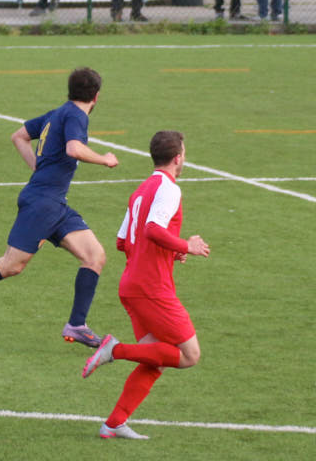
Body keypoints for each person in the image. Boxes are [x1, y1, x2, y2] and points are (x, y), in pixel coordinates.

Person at [0, 68, 119, 347]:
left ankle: (77, 324)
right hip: (43, 203)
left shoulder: (58, 113)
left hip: (54, 203)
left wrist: (38, 169)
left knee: (95, 256)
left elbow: (18, 136)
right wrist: (105, 159)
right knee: (11, 265)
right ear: (96, 96)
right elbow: (74, 149)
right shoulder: (77, 115)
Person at [81, 130, 210, 440]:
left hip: (133, 284)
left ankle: (113, 424)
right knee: (190, 355)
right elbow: (152, 229)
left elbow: (123, 241)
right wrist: (185, 245)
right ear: (178, 157)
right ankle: (115, 349)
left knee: (155, 358)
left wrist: (172, 250)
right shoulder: (169, 189)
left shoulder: (140, 191)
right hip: (152, 288)